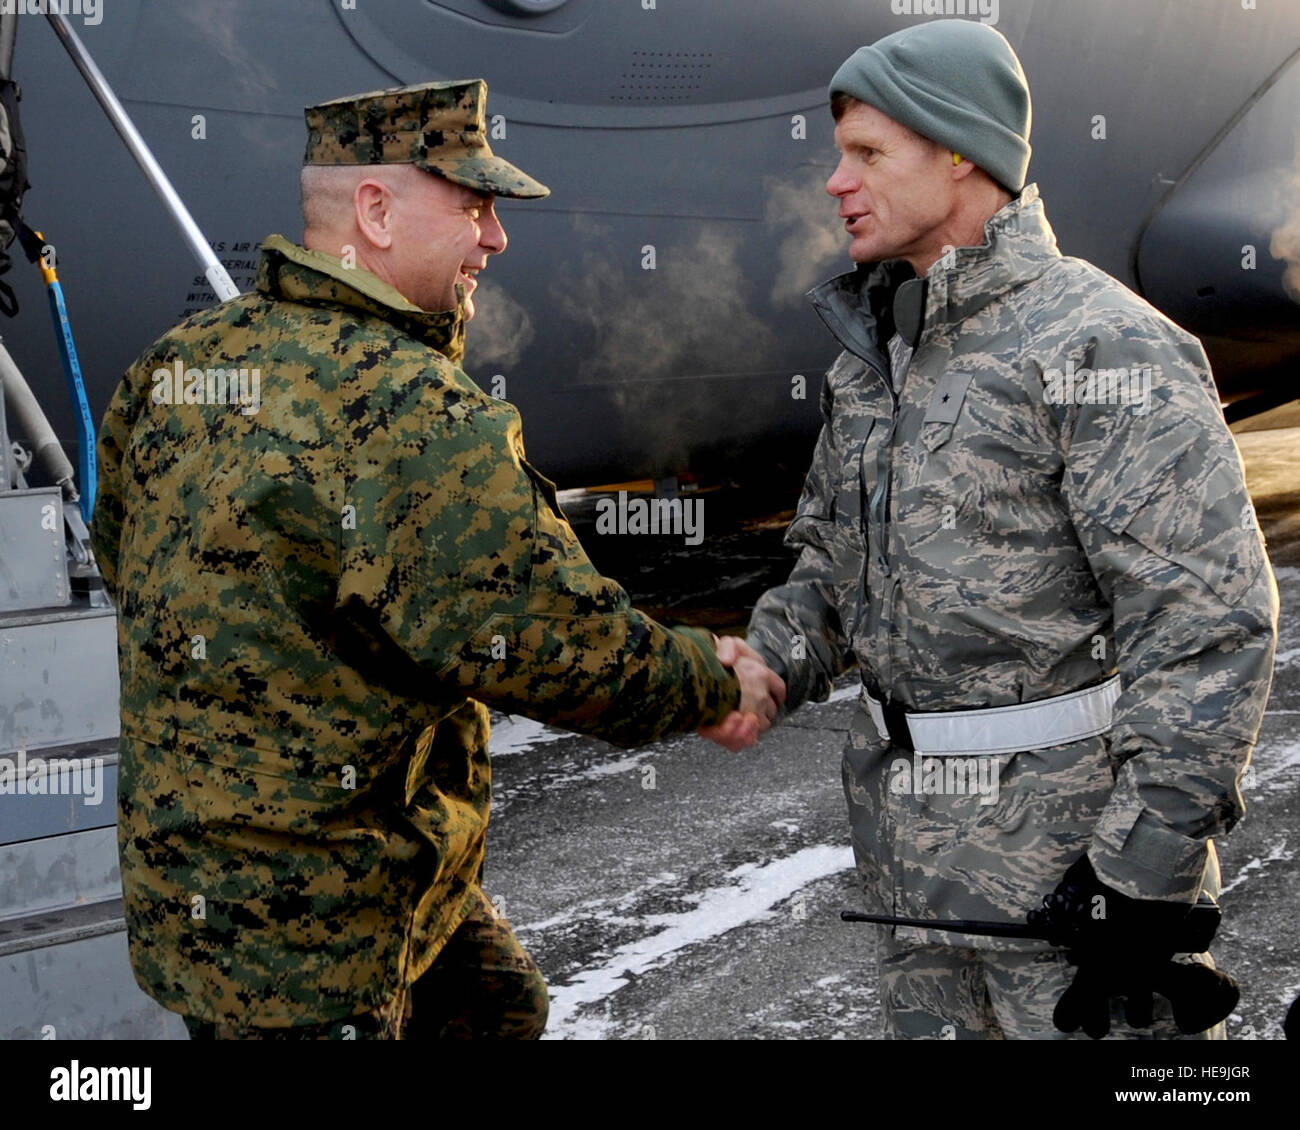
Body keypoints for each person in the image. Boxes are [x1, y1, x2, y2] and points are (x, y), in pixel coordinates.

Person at [90, 79, 783, 1040]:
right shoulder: (416, 416)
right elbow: (561, 643)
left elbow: (118, 549)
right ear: (375, 212)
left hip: (208, 891)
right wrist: (713, 682)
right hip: (320, 937)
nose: (495, 239)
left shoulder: (171, 365)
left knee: (500, 1009)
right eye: (475, 205)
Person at [733, 21, 1278, 1039]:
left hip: (1076, 883)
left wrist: (1138, 873)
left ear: (958, 151)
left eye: (866, 155)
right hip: (916, 876)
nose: (834, 184)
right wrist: (765, 661)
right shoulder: (872, 356)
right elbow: (830, 566)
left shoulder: (1102, 342)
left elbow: (1207, 627)